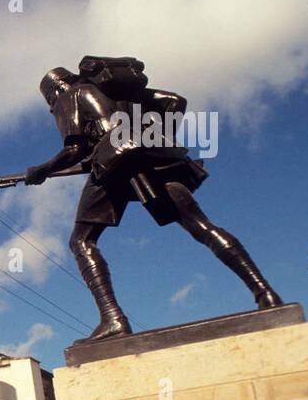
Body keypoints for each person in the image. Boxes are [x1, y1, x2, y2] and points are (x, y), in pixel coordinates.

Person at [27, 58, 280, 341]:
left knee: (81, 241)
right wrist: (153, 135)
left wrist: (40, 171)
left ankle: (113, 318)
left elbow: (73, 150)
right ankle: (265, 293)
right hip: (154, 158)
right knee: (202, 227)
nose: (52, 106)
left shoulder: (70, 95)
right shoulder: (120, 90)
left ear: (55, 89)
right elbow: (175, 101)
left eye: (50, 100)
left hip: (116, 164)